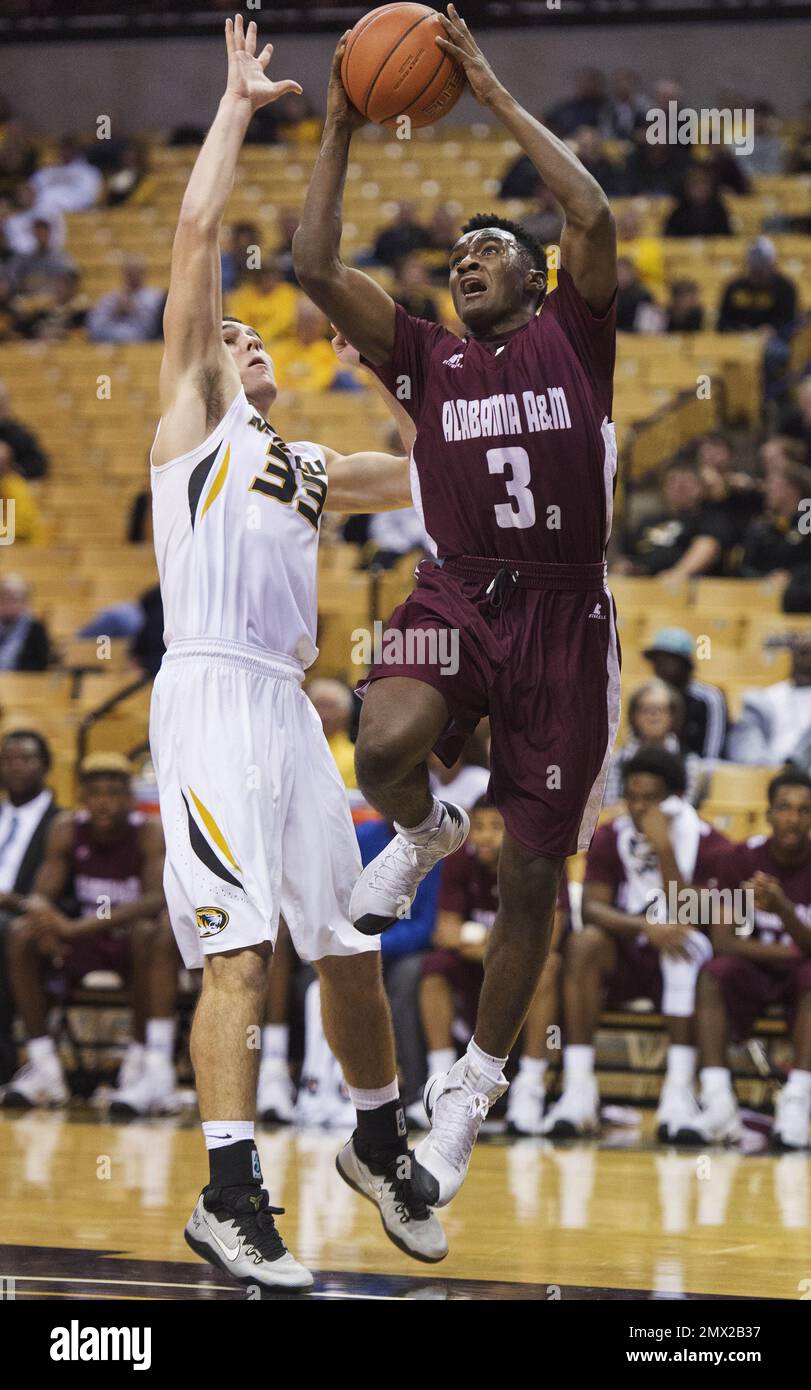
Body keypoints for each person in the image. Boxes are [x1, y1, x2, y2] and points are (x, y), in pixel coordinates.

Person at [293, 4, 619, 1210]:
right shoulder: (427, 358)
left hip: (563, 617)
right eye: (458, 252)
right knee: (380, 740)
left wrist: (484, 88)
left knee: (533, 874)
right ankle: (426, 830)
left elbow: (589, 208)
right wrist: (335, 119)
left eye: (490, 247)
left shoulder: (576, 338)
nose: (466, 259)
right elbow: (313, 267)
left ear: (534, 279)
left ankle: (471, 1091)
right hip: (455, 592)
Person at [148, 16, 446, 1291]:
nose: (247, 338)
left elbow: (432, 469)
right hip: (211, 693)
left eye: (257, 340)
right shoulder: (191, 420)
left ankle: (376, 1142)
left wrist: (392, 374)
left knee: (344, 942)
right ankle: (228, 1193)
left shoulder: (303, 465)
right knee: (238, 953)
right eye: (234, 337)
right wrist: (235, 106)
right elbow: (197, 239)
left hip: (285, 710)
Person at [543, 749, 727, 1141]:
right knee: (584, 944)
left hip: (683, 970)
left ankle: (679, 1092)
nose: (640, 808)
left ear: (676, 798)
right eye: (633, 797)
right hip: (627, 956)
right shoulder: (612, 835)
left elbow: (690, 913)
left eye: (652, 799)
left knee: (686, 945)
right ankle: (579, 1090)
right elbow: (592, 909)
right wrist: (646, 928)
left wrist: (664, 849)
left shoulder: (712, 844)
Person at [2, 753, 177, 1114]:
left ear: (130, 797)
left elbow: (156, 900)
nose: (105, 802)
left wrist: (74, 927)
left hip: (127, 939)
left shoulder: (148, 831)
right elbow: (40, 894)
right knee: (21, 933)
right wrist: (42, 918)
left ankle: (142, 1063)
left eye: (114, 793)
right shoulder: (67, 828)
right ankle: (43, 1065)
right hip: (83, 942)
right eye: (96, 793)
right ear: (82, 796)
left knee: (151, 933)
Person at [417, 799, 566, 1135]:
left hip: (522, 976)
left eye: (496, 828)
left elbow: (550, 940)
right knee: (434, 967)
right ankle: (440, 1082)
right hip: (477, 970)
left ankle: (530, 1087)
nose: (485, 837)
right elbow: (446, 932)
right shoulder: (459, 861)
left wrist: (478, 940)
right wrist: (502, 949)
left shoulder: (542, 861)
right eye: (479, 827)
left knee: (547, 967)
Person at [684, 771, 811, 1150]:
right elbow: (723, 942)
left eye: (804, 810)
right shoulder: (739, 859)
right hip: (755, 970)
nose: (793, 818)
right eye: (785, 808)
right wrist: (791, 951)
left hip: (801, 975)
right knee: (712, 974)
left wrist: (783, 909)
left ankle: (797, 1103)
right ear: (769, 814)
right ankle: (718, 1100)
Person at [0, 731, 60, 1084]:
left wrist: (19, 900)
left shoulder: (63, 822)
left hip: (28, 918)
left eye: (26, 759)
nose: (15, 767)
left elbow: (64, 892)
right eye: (8, 760)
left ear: (46, 765)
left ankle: (5, 1058)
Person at [617, 458, 734, 581]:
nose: (680, 486)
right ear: (664, 488)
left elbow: (707, 547)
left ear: (700, 488)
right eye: (673, 481)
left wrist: (678, 574)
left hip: (689, 588)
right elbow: (627, 556)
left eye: (687, 482)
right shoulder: (648, 521)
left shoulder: (708, 519)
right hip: (643, 587)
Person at [603, 678, 708, 807]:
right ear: (633, 716)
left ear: (673, 716)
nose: (653, 715)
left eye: (661, 709)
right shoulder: (618, 760)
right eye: (646, 709)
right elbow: (611, 808)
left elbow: (685, 809)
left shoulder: (689, 762)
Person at [642, 627, 728, 761]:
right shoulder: (648, 696)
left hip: (697, 772)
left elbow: (712, 756)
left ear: (685, 665)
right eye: (657, 660)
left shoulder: (709, 698)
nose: (661, 666)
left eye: (668, 660)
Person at [728, 635, 811, 766]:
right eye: (803, 653)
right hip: (770, 769)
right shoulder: (765, 698)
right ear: (793, 656)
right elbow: (747, 750)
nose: (807, 661)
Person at [740, 460, 811, 580]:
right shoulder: (761, 526)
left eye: (772, 484)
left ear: (792, 488)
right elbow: (745, 567)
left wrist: (792, 576)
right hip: (762, 591)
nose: (767, 490)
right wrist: (766, 578)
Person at [86, 255, 163, 344]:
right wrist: (114, 312)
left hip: (142, 349)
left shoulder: (155, 298)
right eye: (129, 271)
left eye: (136, 271)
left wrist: (135, 311)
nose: (132, 275)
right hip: (110, 345)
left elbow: (148, 333)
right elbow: (94, 330)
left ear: (144, 273)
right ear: (123, 272)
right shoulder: (110, 299)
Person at [29, 135, 102, 215]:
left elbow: (92, 197)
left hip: (74, 214)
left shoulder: (89, 172)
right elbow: (30, 192)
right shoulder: (45, 172)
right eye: (63, 148)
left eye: (70, 148)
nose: (66, 151)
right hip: (42, 214)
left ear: (78, 150)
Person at [306, 678, 356, 790]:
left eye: (330, 707)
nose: (323, 714)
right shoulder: (295, 748)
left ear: (344, 714)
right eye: (318, 707)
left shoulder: (354, 758)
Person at [663, 167, 732, 239]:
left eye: (703, 186)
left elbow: (726, 238)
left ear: (710, 188)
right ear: (687, 189)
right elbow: (669, 238)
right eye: (695, 187)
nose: (699, 191)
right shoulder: (679, 211)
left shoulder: (719, 210)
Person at [0, 574, 50, 669]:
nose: (9, 604)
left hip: (22, 682)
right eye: (4, 598)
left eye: (14, 599)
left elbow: (41, 665)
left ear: (25, 603)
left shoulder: (36, 629)